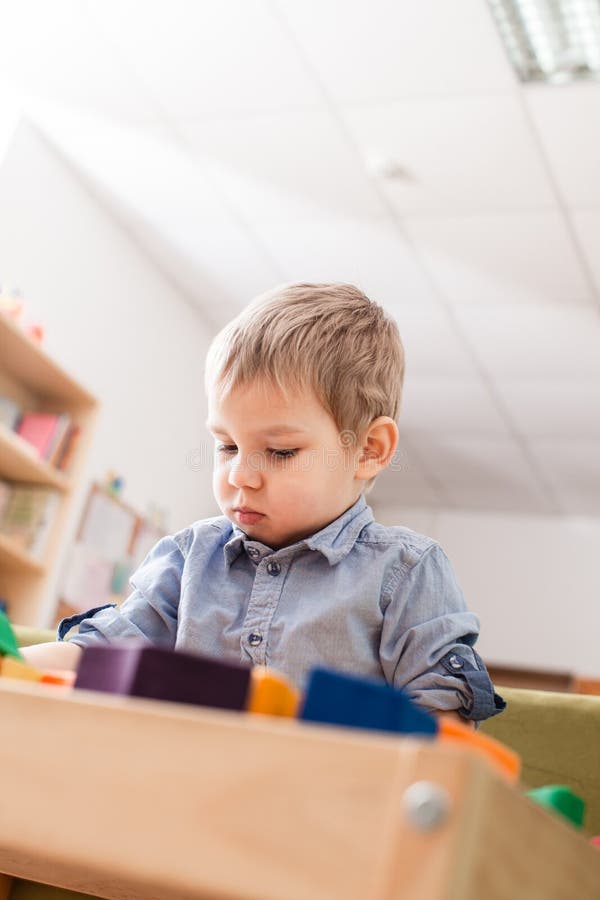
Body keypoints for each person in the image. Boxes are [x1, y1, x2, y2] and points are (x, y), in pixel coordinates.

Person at [23, 283, 504, 723]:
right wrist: (15, 665)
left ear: (369, 450)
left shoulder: (405, 571)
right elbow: (100, 653)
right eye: (227, 446)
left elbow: (442, 723)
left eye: (280, 452)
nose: (239, 475)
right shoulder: (188, 559)